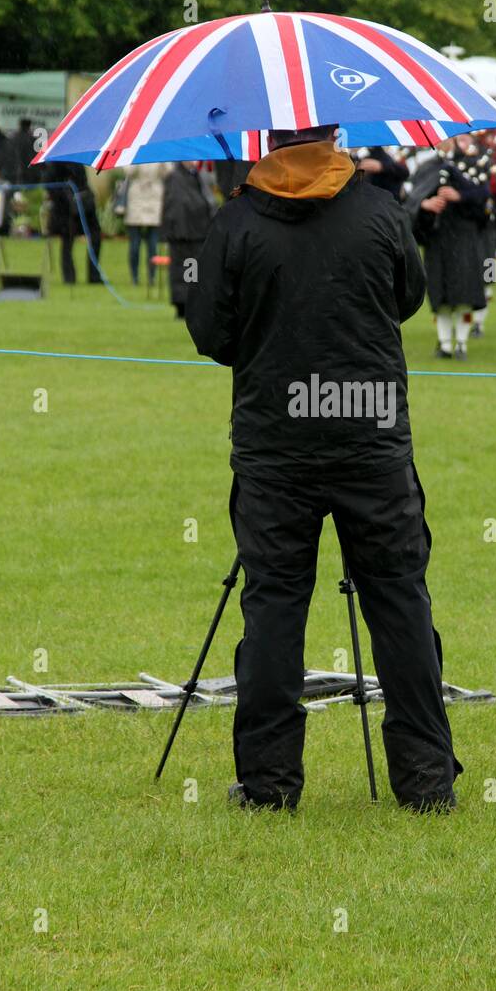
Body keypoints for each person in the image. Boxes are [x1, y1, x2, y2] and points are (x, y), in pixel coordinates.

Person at [185, 123, 463, 813]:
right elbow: (406, 299)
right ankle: (425, 781)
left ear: (270, 138)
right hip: (369, 438)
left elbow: (210, 334)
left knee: (275, 607)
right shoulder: (378, 210)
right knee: (399, 600)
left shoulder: (238, 218)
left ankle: (270, 783)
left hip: (276, 443)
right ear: (334, 135)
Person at [407, 137, 487, 360]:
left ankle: (461, 343)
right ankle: (444, 344)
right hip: (437, 238)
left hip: (464, 238)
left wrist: (459, 195)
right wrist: (425, 204)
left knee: (463, 294)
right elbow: (411, 199)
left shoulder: (472, 165)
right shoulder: (427, 167)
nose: (445, 141)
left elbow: (485, 196)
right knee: (440, 296)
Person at [161, 161, 217, 317]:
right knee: (182, 270)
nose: (194, 162)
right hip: (182, 235)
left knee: (192, 270)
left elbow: (203, 201)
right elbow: (175, 205)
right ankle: (182, 304)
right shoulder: (175, 177)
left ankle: (191, 301)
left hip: (197, 233)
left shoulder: (197, 176)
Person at [43, 161, 102, 284]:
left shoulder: (78, 159)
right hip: (65, 210)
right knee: (67, 242)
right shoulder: (55, 162)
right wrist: (66, 198)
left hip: (85, 206)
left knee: (96, 237)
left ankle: (94, 275)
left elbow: (83, 181)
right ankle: (69, 277)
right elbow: (50, 184)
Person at [123, 161, 170, 286]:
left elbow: (168, 173)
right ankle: (134, 277)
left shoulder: (159, 149)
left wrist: (162, 161)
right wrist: (138, 158)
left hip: (155, 200)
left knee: (153, 244)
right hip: (136, 200)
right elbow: (128, 172)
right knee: (135, 244)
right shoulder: (134, 149)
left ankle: (152, 277)